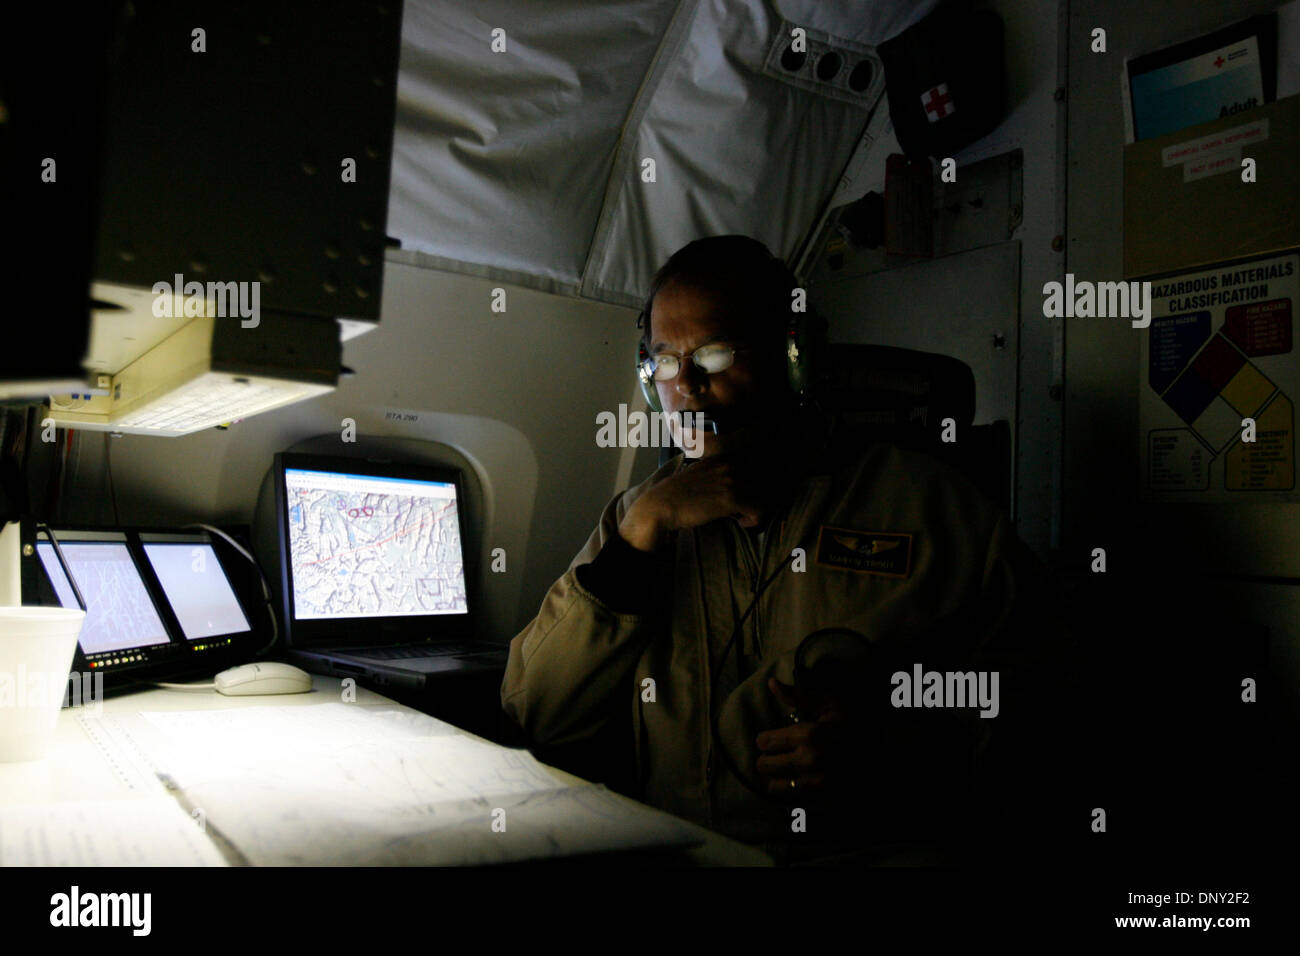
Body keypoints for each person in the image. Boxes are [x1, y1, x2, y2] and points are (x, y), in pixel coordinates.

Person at [501, 235, 1070, 864]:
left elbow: (1043, 715)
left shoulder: (934, 511)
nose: (685, 386)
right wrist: (637, 540)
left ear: (791, 358)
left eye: (715, 355)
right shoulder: (639, 519)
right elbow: (538, 716)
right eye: (665, 363)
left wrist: (899, 748)